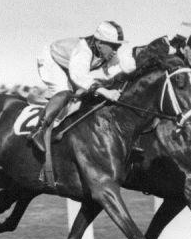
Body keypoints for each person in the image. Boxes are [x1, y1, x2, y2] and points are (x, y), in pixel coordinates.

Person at [29, 20, 129, 152]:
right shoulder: (83, 50)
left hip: (69, 65)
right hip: (51, 60)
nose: (116, 51)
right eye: (113, 46)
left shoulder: (106, 52)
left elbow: (115, 72)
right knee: (64, 91)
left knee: (82, 97)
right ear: (99, 43)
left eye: (118, 47)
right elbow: (79, 76)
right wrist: (105, 91)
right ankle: (39, 131)